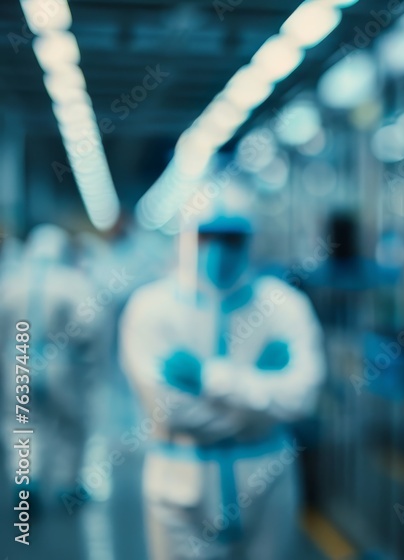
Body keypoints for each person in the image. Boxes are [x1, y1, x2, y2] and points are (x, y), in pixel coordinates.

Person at [118, 185, 326, 559]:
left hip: (268, 482)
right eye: (206, 235)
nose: (218, 249)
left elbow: (302, 398)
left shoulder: (284, 306)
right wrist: (261, 391)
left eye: (232, 237)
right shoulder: (150, 309)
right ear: (185, 237)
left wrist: (211, 379)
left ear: (251, 238)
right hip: (178, 486)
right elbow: (172, 411)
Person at [0, 224, 100, 510]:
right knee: (69, 426)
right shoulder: (73, 283)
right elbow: (88, 328)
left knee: (20, 424)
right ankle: (67, 486)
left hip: (17, 362)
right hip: (61, 364)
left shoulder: (10, 280)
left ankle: (25, 480)